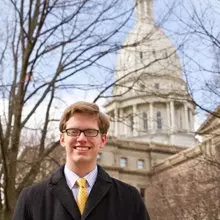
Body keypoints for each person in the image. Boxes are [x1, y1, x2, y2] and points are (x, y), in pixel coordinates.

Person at [13, 101, 151, 220]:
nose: (82, 139)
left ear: (103, 140)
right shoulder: (31, 198)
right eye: (73, 131)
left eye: (90, 132)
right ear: (62, 139)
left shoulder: (130, 198)